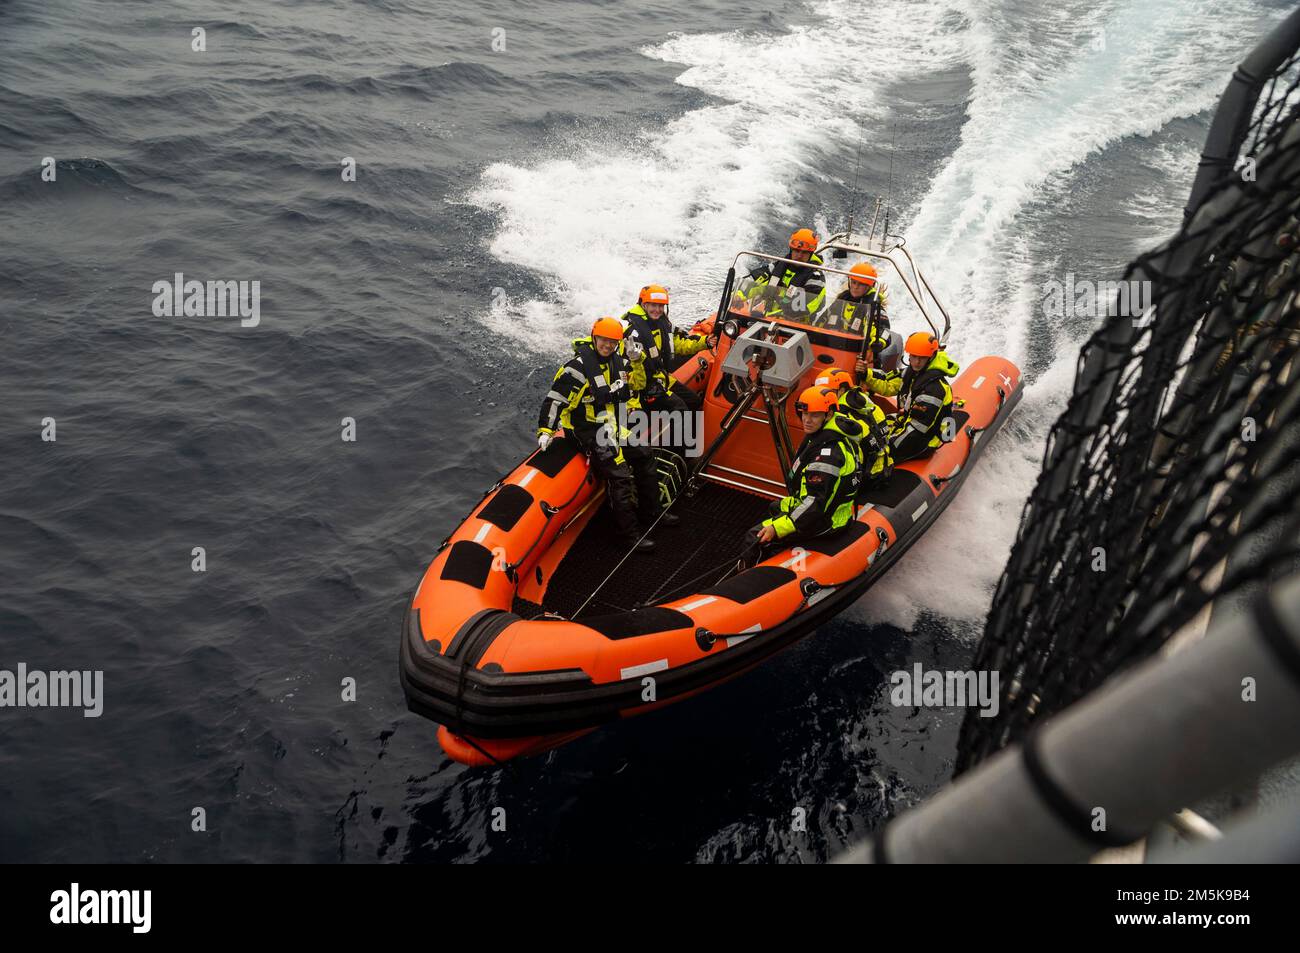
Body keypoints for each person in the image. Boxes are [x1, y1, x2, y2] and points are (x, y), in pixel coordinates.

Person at [536, 317, 664, 552]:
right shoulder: (576, 369)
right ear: (594, 338)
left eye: (613, 342)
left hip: (611, 424)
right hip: (586, 429)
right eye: (603, 340)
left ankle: (652, 513)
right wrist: (546, 430)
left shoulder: (619, 362)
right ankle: (629, 536)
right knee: (620, 474)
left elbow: (636, 386)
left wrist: (637, 362)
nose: (608, 345)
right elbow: (555, 401)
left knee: (645, 453)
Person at [750, 385, 861, 551]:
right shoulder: (827, 435)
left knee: (753, 537)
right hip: (825, 509)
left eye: (815, 415)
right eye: (805, 413)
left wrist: (777, 528)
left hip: (826, 520)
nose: (807, 419)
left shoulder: (828, 455)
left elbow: (815, 504)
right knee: (774, 507)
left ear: (828, 414)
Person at [621, 284, 717, 454]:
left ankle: (689, 446)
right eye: (653, 305)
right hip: (645, 387)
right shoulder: (634, 334)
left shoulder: (662, 325)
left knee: (694, 401)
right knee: (679, 409)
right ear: (644, 305)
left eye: (660, 306)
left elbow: (678, 344)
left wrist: (705, 343)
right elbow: (626, 374)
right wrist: (632, 403)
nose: (657, 310)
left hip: (661, 379)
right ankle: (674, 453)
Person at [861, 331, 960, 464]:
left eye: (922, 358)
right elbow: (886, 382)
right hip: (906, 421)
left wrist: (885, 448)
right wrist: (865, 373)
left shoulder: (934, 390)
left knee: (877, 456)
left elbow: (915, 433)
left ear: (931, 357)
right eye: (914, 356)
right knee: (867, 429)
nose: (917, 362)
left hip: (926, 438)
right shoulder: (912, 372)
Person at [813, 367, 893, 490]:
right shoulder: (862, 401)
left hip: (869, 475)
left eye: (828, 391)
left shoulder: (843, 417)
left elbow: (854, 456)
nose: (823, 395)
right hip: (883, 465)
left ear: (842, 390)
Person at [743, 227, 828, 319]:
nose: (799, 255)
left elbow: (801, 309)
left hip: (795, 325)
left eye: (804, 253)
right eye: (797, 250)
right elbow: (753, 280)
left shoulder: (816, 279)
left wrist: (766, 317)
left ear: (811, 253)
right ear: (791, 249)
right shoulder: (778, 266)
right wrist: (739, 296)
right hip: (768, 319)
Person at [820, 262, 891, 365]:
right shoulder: (842, 299)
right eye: (853, 282)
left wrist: (879, 342)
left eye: (861, 284)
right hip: (833, 349)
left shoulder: (874, 306)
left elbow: (884, 330)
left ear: (869, 286)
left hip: (859, 356)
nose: (855, 287)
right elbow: (822, 320)